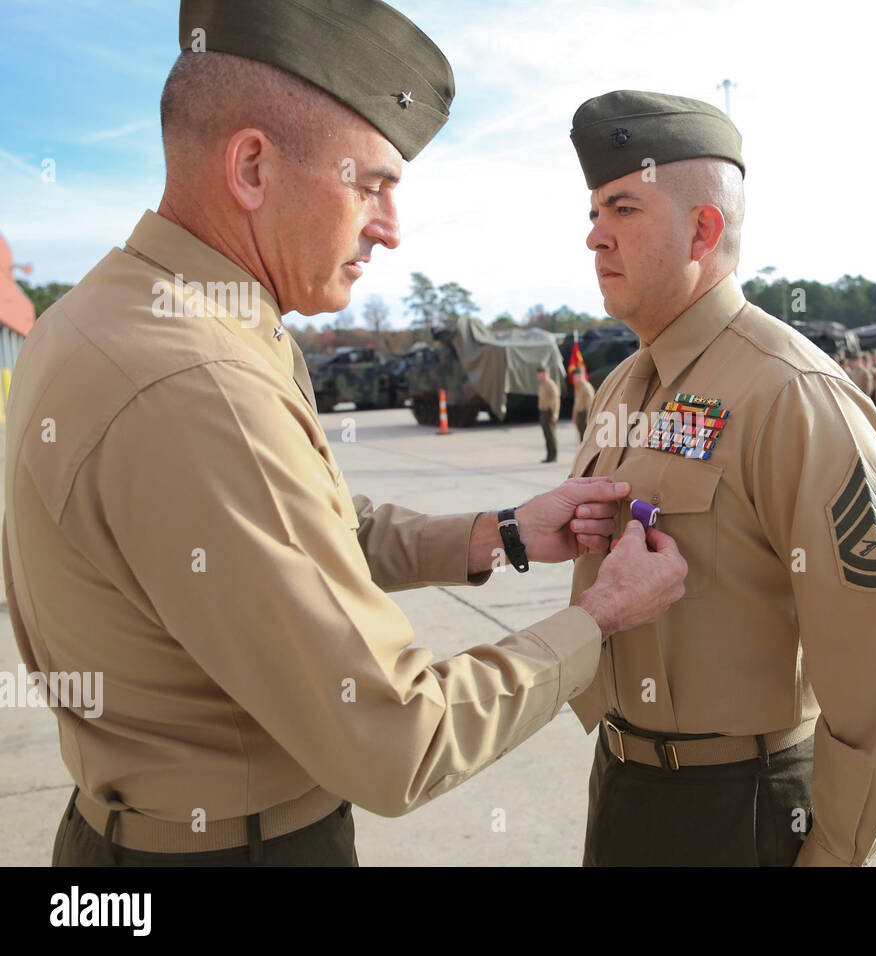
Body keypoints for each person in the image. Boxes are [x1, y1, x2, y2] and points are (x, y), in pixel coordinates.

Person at [2, 0, 688, 867]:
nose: (391, 228)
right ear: (251, 165)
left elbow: (292, 535)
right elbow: (400, 740)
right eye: (370, 183)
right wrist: (599, 618)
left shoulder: (110, 313)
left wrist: (502, 533)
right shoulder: (199, 381)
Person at [564, 89, 876, 866]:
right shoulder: (624, 386)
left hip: (741, 808)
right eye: (593, 212)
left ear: (702, 230)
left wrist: (835, 856)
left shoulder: (793, 395)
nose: (594, 237)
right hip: (624, 782)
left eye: (623, 210)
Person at [537, 366, 561, 462]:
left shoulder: (550, 384)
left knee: (551, 435)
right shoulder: (542, 385)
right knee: (546, 435)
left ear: (546, 374)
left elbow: (556, 399)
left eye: (541, 374)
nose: (539, 376)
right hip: (543, 412)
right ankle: (549, 455)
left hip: (549, 412)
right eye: (538, 374)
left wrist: (555, 414)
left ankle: (553, 456)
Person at [572, 366, 596, 442]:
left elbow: (589, 404)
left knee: (586, 438)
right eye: (575, 377)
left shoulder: (586, 387)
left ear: (582, 375)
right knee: (582, 437)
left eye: (578, 376)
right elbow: (576, 403)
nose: (576, 379)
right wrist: (574, 416)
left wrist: (588, 417)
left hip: (585, 414)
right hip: (580, 415)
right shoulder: (578, 387)